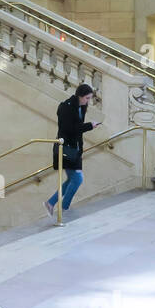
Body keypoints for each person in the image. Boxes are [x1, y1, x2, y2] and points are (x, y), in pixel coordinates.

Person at [44, 83, 103, 220]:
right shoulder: (67, 107)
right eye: (87, 98)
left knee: (72, 179)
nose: (88, 101)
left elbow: (76, 129)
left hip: (74, 149)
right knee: (77, 179)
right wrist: (89, 126)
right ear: (80, 96)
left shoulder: (80, 107)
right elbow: (70, 129)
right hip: (66, 149)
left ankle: (51, 203)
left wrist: (88, 126)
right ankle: (63, 207)